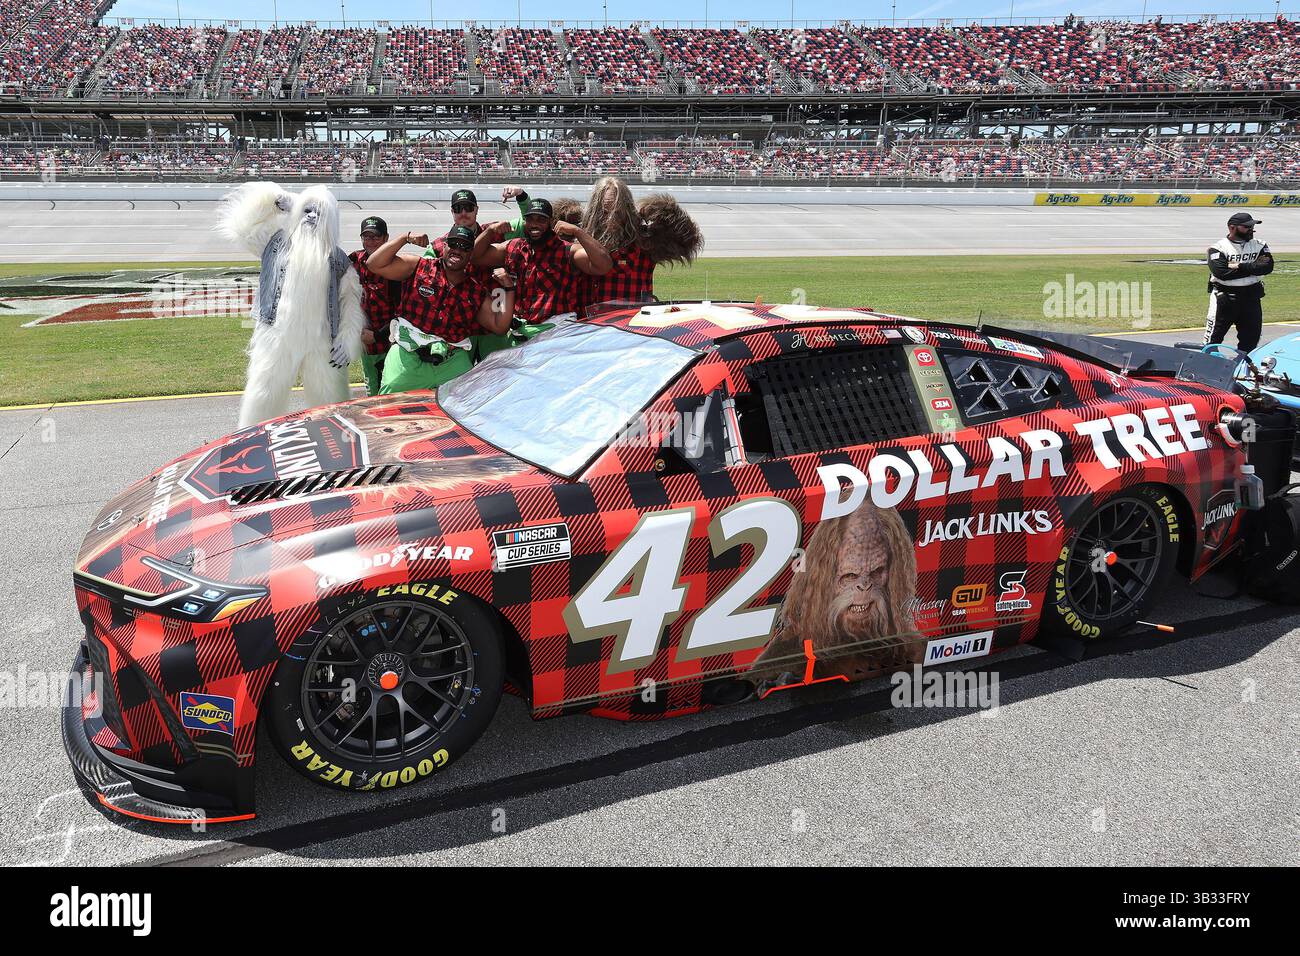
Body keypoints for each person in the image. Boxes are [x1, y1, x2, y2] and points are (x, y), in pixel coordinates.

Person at [364, 225, 515, 394]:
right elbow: (374, 264)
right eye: (453, 244)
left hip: (451, 361)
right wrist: (404, 238)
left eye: (465, 247)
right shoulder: (418, 266)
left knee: (463, 411)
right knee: (390, 410)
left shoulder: (476, 290)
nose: (458, 250)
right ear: (444, 246)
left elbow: (499, 326)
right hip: (407, 356)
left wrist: (509, 289)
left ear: (471, 254)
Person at [472, 196, 613, 331]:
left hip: (556, 330)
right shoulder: (514, 247)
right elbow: (474, 257)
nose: (535, 225)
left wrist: (578, 232)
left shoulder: (566, 250)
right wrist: (490, 231)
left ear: (551, 222)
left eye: (541, 220)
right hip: (521, 330)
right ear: (524, 221)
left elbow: (604, 265)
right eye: (530, 219)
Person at [579, 177, 703, 315]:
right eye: (605, 212)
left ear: (627, 209)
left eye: (618, 212)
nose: (610, 219)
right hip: (588, 326)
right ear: (594, 211)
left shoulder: (644, 241)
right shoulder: (581, 238)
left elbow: (689, 239)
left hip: (631, 327)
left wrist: (659, 211)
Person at [1206, 211, 1274, 353]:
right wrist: (1253, 267)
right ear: (1232, 227)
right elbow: (1222, 273)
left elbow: (1267, 267)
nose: (1251, 230)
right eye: (1246, 227)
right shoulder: (1218, 248)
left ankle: (1242, 371)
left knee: (1251, 339)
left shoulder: (1259, 245)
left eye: (1252, 226)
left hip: (1251, 298)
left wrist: (1239, 265)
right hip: (1224, 299)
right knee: (1212, 339)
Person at [348, 215, 401, 396]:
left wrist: (378, 335)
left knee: (391, 389)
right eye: (366, 237)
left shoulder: (396, 265)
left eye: (376, 237)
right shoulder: (353, 261)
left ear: (386, 238)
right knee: (372, 391)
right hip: (365, 343)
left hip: (391, 342)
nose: (370, 241)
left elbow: (402, 311)